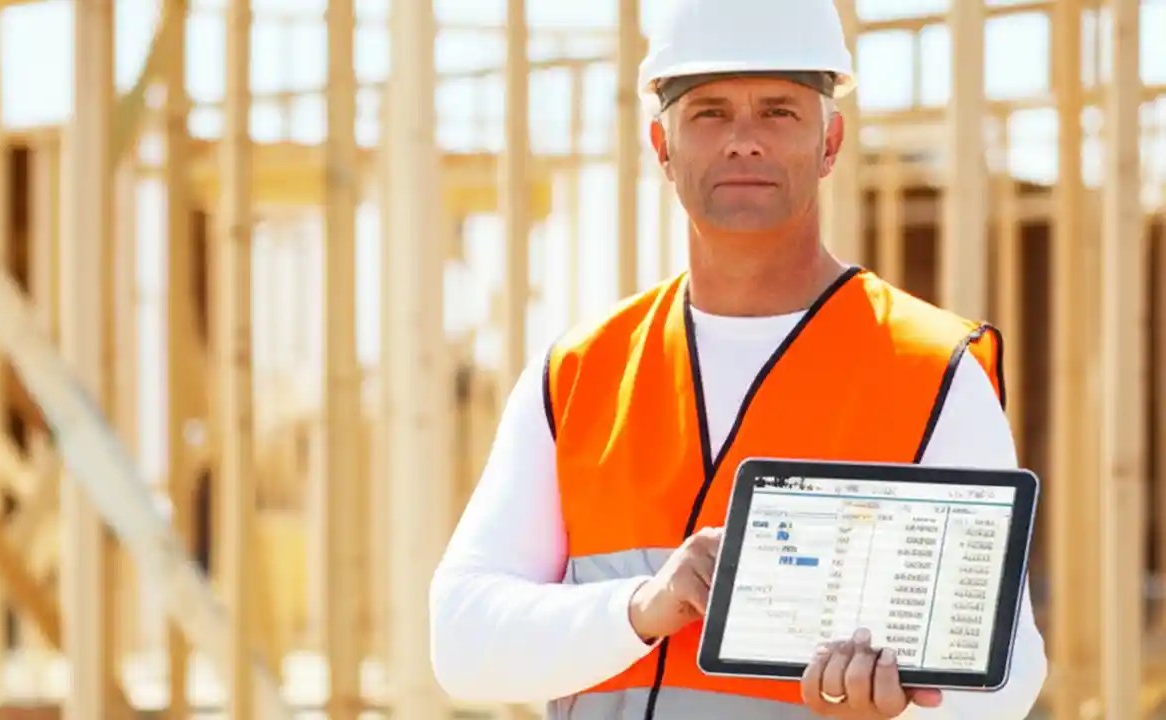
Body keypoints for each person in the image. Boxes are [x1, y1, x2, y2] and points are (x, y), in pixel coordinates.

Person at [428, 0, 1049, 717]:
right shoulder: (580, 372)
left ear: (830, 142)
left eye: (779, 112)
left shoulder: (932, 371)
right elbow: (461, 640)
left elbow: (1008, 677)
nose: (744, 141)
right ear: (661, 144)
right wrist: (638, 607)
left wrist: (896, 710)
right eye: (710, 113)